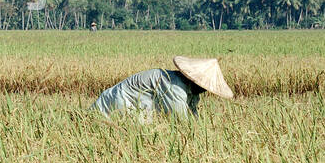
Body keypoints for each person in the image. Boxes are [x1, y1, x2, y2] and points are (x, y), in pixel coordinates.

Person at [92, 56, 233, 119]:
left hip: (134, 103)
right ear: (194, 81)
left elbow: (192, 113)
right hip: (119, 101)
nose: (204, 90)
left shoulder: (192, 92)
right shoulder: (174, 86)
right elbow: (179, 119)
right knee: (136, 134)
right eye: (204, 86)